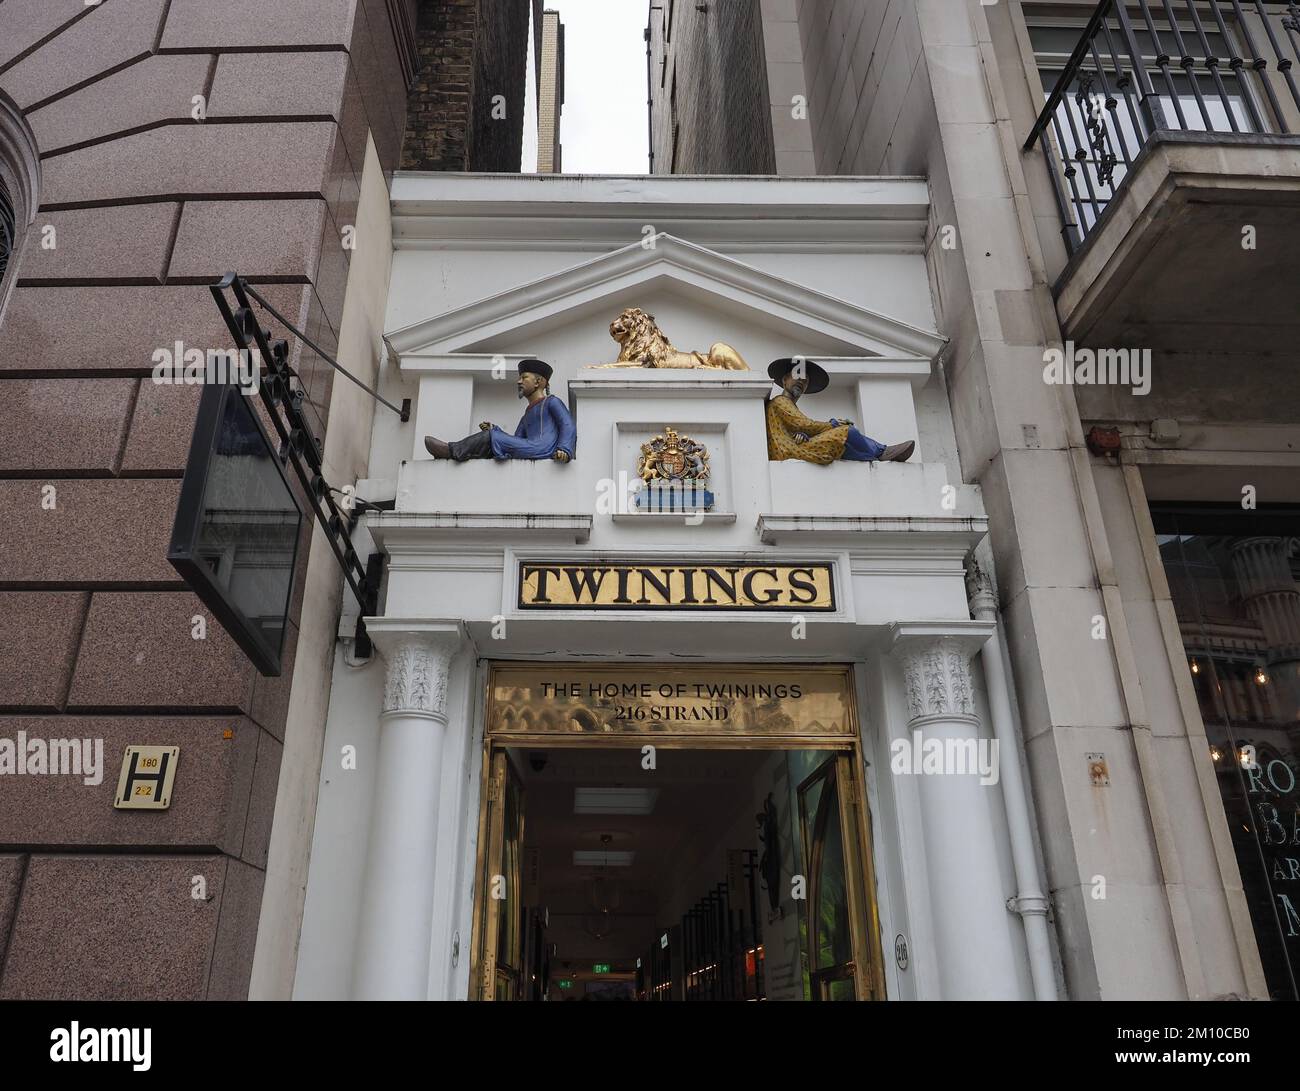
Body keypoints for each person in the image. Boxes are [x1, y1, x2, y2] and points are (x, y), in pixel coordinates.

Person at [765, 357, 914, 464]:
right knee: (847, 432)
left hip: (792, 447)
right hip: (788, 451)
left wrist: (801, 435)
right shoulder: (780, 401)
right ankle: (881, 453)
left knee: (844, 440)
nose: (801, 381)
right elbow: (804, 425)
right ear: (785, 380)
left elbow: (797, 429)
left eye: (805, 380)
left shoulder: (788, 405)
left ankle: (878, 454)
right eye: (798, 376)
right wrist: (834, 424)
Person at [424, 359, 576, 462]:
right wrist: (495, 430)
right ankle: (464, 451)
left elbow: (567, 425)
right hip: (530, 447)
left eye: (524, 377)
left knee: (492, 436)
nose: (519, 381)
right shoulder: (527, 414)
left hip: (542, 448)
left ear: (539, 382)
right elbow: (517, 440)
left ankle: (451, 451)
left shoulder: (552, 402)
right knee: (492, 436)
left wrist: (564, 448)